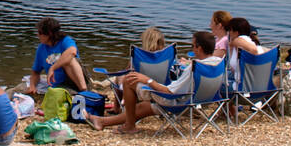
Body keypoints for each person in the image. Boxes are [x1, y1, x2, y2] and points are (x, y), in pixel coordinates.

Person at [88, 31, 221, 132]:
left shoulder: (194, 67)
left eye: (193, 46)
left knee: (129, 80)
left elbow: (169, 91)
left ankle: (129, 126)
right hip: (201, 102)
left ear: (199, 48)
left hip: (177, 101)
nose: (192, 48)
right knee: (144, 107)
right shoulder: (218, 63)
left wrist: (148, 80)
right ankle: (101, 121)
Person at [28, 17, 86, 93]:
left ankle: (84, 92)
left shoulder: (65, 41)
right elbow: (35, 72)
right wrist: (32, 86)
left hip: (75, 82)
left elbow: (72, 52)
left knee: (68, 60)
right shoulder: (41, 48)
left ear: (49, 34)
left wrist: (53, 68)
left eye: (40, 32)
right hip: (58, 86)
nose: (37, 35)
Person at [225, 16, 265, 92]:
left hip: (244, 89)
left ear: (236, 32)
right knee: (224, 74)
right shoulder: (253, 43)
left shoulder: (238, 41)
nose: (228, 33)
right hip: (262, 87)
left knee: (214, 84)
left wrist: (233, 42)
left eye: (229, 30)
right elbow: (234, 71)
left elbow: (253, 50)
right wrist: (231, 48)